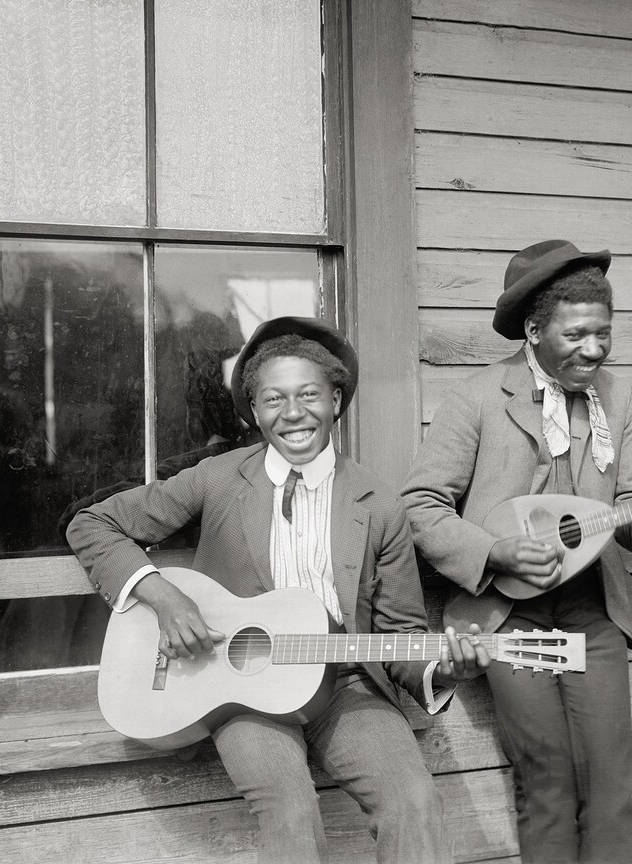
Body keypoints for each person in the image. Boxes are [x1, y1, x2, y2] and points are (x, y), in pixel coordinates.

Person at [68, 316, 490, 864]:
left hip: (346, 682)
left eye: (308, 394)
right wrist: (165, 598)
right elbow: (93, 524)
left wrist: (445, 669)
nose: (292, 413)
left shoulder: (377, 503)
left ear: (335, 400)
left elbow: (401, 632)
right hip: (240, 685)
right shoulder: (219, 477)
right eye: (273, 399)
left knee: (414, 801)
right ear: (255, 409)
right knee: (290, 812)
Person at [400, 240, 632, 864]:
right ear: (533, 331)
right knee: (547, 777)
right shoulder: (478, 397)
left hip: (593, 606)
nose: (594, 349)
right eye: (576, 334)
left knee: (611, 780)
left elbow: (631, 504)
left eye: (603, 334)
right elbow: (421, 505)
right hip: (508, 612)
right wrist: (496, 552)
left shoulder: (618, 398)